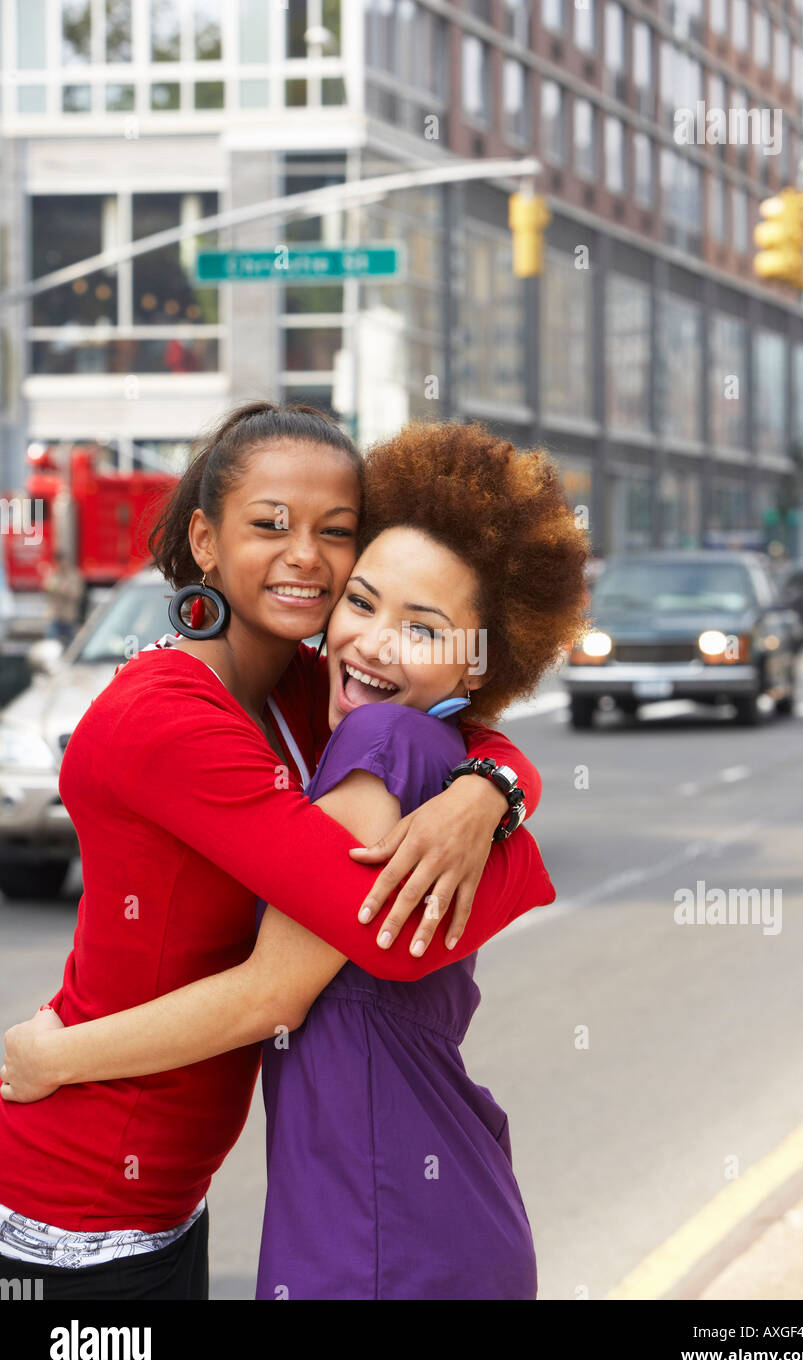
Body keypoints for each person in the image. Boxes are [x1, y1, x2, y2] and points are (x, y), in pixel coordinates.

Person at [3, 419, 589, 1300]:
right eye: (270, 524)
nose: (306, 557)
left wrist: (489, 795)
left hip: (170, 1196)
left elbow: (461, 733)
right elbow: (376, 938)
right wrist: (57, 1062)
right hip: (72, 1201)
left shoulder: (312, 697)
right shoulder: (168, 720)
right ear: (205, 538)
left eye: (336, 531)